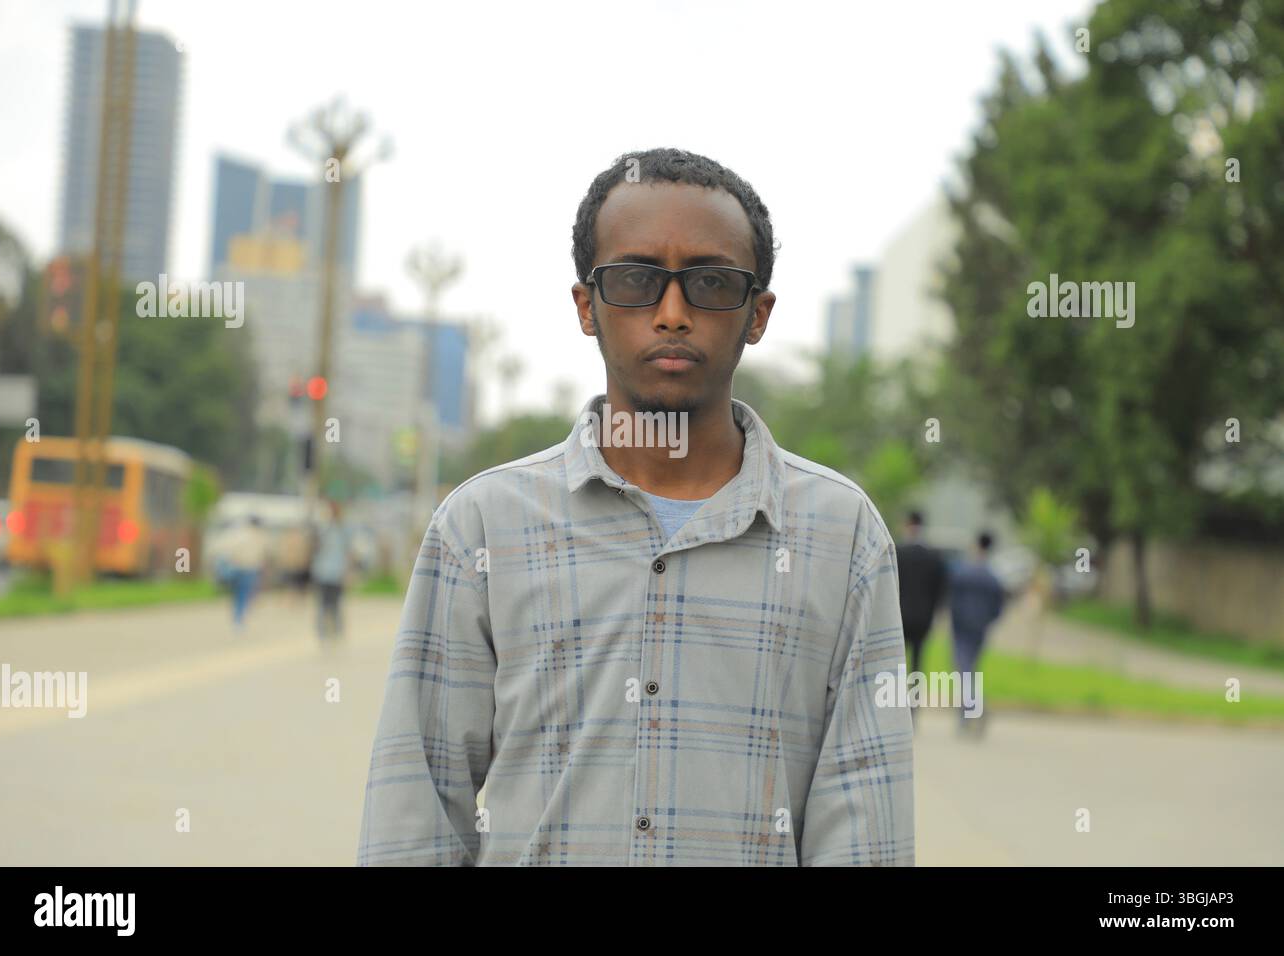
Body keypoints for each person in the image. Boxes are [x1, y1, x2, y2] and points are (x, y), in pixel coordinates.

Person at [357, 148, 914, 867]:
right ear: (587, 306)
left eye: (712, 282)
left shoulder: (844, 541)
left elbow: (864, 818)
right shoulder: (483, 527)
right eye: (636, 281)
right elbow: (418, 804)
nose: (673, 314)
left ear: (758, 314)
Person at [948, 531, 1005, 735]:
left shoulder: (963, 572)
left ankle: (971, 711)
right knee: (970, 671)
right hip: (979, 629)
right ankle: (968, 714)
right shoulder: (992, 577)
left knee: (963, 672)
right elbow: (998, 607)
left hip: (961, 629)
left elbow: (953, 601)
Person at [896, 511, 947, 686]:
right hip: (924, 617)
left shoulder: (898, 553)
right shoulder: (933, 556)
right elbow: (940, 589)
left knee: (897, 660)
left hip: (899, 615)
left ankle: (894, 699)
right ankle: (913, 702)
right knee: (917, 661)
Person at [310, 500, 350, 640]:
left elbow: (347, 552)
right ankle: (324, 630)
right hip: (324, 571)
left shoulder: (343, 530)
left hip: (335, 572)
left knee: (334, 603)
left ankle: (335, 629)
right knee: (324, 603)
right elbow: (314, 547)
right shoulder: (323, 528)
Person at [222, 514, 266, 634]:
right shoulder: (258, 536)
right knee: (244, 594)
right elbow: (261, 554)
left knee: (238, 594)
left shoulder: (240, 533)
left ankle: (237, 618)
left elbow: (230, 549)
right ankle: (239, 619)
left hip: (238, 566)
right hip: (249, 568)